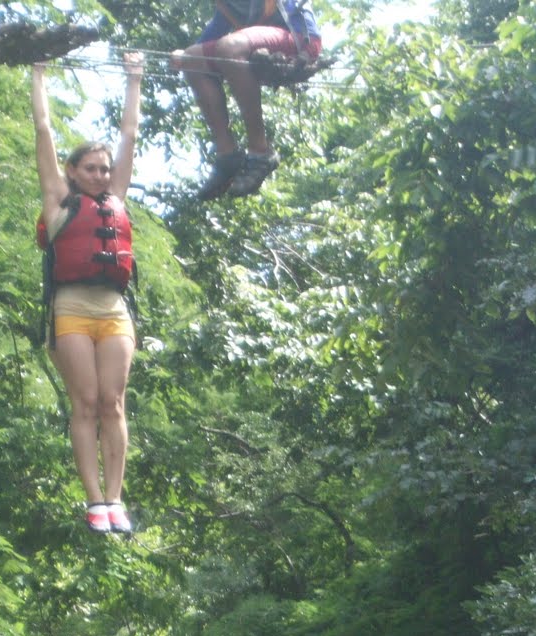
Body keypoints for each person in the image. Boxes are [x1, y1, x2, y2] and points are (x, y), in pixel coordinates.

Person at [32, 53, 145, 535]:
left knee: (112, 403)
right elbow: (43, 132)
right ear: (74, 172)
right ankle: (94, 500)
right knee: (86, 402)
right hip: (71, 309)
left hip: (113, 310)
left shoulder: (116, 198)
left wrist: (134, 77)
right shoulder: (59, 201)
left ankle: (116, 498)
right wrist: (38, 74)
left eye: (105, 169)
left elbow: (129, 135)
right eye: (92, 169)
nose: (101, 175)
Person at [171, 0, 322, 199]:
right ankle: (227, 154)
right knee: (191, 59)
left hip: (297, 40)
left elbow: (301, 16)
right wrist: (184, 54)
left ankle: (260, 151)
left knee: (230, 47)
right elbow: (216, 29)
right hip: (254, 44)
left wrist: (308, 51)